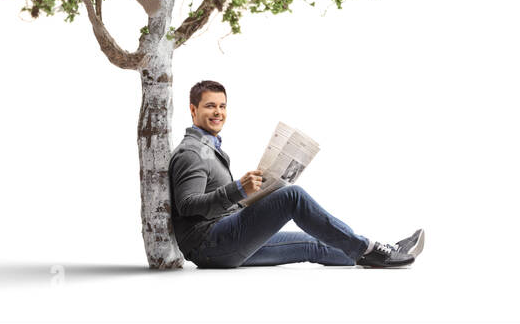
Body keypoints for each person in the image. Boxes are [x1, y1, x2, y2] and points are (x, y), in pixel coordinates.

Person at [168, 80, 423, 268]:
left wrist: (255, 194)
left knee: (315, 243)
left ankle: (383, 251)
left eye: (222, 106)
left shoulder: (208, 148)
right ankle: (370, 250)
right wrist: (238, 190)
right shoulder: (192, 152)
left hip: (223, 241)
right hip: (211, 245)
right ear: (193, 110)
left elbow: (215, 201)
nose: (218, 112)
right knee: (293, 197)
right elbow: (188, 206)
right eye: (210, 106)